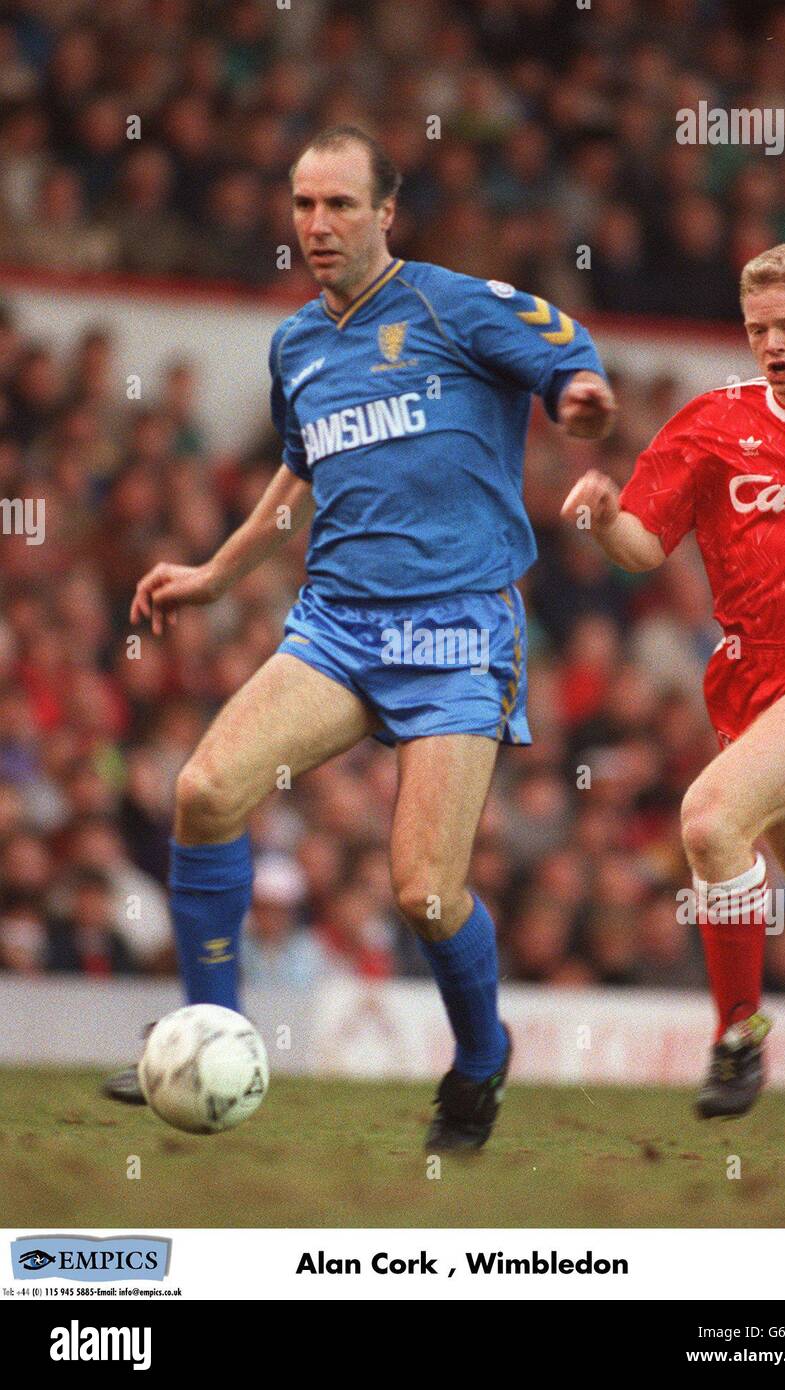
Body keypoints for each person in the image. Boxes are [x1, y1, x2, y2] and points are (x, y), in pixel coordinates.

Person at [103, 124, 615, 1151]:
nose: (318, 223)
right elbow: (296, 477)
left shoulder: (453, 304)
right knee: (204, 792)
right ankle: (211, 1029)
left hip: (460, 631)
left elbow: (566, 359)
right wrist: (214, 573)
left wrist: (578, 399)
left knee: (423, 893)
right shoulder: (296, 345)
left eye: (340, 203)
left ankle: (480, 1059)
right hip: (338, 626)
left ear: (386, 211)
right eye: (303, 204)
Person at [561, 242, 785, 1118]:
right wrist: (605, 518)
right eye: (755, 329)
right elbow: (641, 547)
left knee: (709, 819)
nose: (771, 344)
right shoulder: (709, 425)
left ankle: (736, 1040)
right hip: (754, 684)